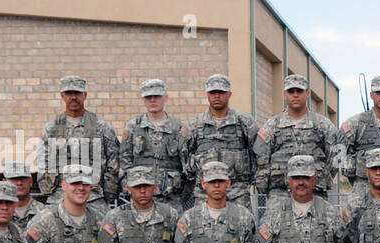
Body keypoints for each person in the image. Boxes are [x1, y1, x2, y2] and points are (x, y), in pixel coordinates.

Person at [35, 74, 119, 207]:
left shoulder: (102, 127)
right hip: (58, 197)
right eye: (69, 93)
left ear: (85, 95)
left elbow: (113, 162)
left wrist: (109, 191)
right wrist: (46, 187)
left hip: (93, 197)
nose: (73, 97)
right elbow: (43, 162)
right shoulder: (51, 129)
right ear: (62, 95)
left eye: (77, 93)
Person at [254, 73, 342, 198]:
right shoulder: (273, 125)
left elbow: (339, 152)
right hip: (280, 193)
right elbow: (260, 155)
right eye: (291, 91)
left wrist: (324, 176)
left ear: (307, 93)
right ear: (285, 94)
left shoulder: (322, 124)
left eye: (299, 91)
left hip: (314, 192)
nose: (295, 95)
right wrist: (264, 184)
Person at [99, 166, 183, 243]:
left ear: (154, 188)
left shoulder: (170, 214)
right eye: (137, 187)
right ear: (128, 189)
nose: (142, 191)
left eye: (146, 186)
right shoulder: (115, 217)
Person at [184, 73, 261, 204]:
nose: (217, 96)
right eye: (213, 92)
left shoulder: (245, 122)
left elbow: (260, 154)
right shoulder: (194, 125)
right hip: (204, 195)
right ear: (207, 94)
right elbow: (184, 158)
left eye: (221, 92)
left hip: (238, 194)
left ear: (229, 94)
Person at [119, 78, 190, 209]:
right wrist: (130, 190)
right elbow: (124, 163)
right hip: (140, 199)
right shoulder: (133, 127)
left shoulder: (178, 127)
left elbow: (187, 166)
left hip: (171, 199)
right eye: (148, 97)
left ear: (165, 98)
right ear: (143, 100)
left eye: (157, 96)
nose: (152, 100)